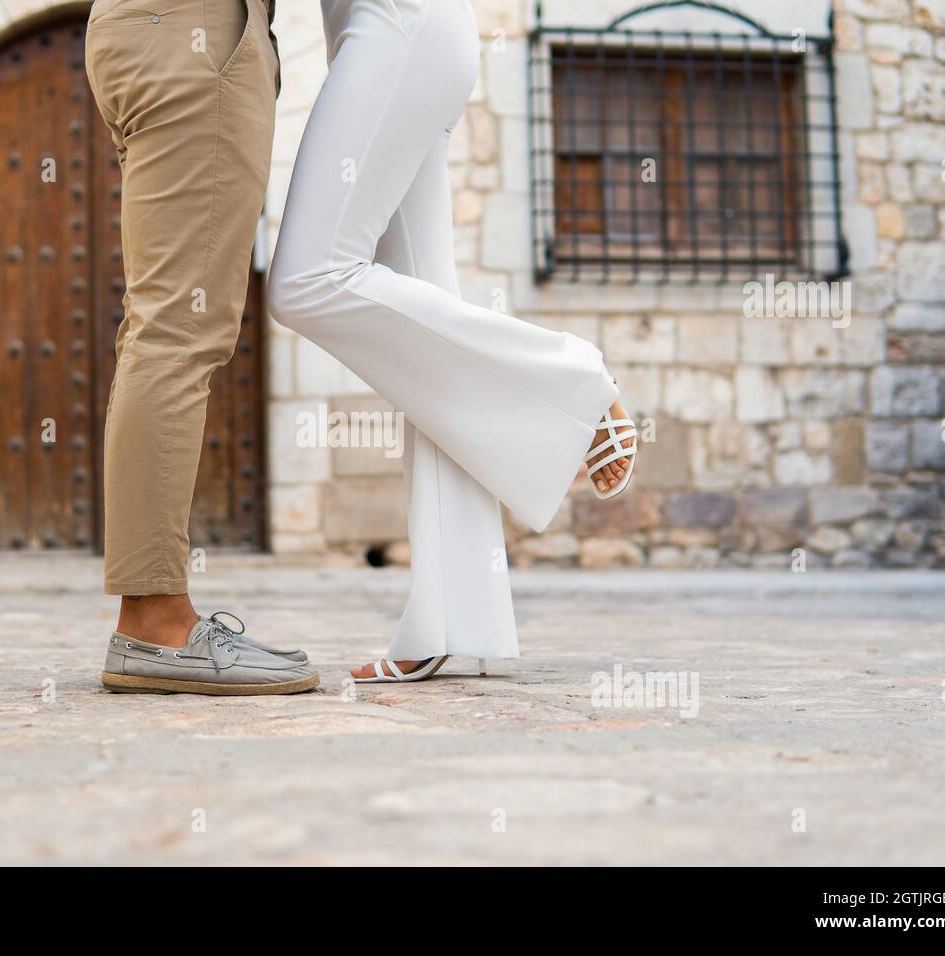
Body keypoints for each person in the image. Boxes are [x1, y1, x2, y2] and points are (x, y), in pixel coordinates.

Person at [267, 0, 636, 685]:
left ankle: (571, 384)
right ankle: (448, 619)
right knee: (425, 340)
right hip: (392, 32)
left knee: (305, 280)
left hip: (396, 25)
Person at [86, 0, 319, 695]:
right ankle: (156, 622)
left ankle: (152, 613)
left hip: (161, 31)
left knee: (163, 328)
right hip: (196, 31)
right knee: (179, 331)